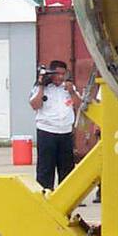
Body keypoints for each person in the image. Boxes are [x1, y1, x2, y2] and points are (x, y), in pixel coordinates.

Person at [30, 60, 78, 190]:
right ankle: (45, 193)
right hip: (47, 132)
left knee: (67, 168)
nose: (60, 77)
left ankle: (67, 194)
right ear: (51, 73)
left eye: (63, 74)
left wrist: (72, 92)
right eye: (57, 74)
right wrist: (41, 85)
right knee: (46, 167)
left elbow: (79, 105)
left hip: (65, 132)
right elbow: (35, 105)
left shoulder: (68, 88)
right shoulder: (41, 88)